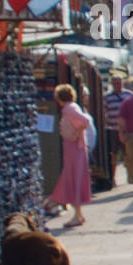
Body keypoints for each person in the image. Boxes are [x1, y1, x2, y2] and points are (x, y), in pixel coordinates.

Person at [47, 84, 92, 228]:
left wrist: (76, 134)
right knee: (74, 179)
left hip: (73, 149)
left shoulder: (69, 109)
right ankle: (78, 214)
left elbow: (85, 121)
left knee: (73, 179)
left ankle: (76, 215)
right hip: (75, 148)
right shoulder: (73, 107)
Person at [103, 74, 132, 182]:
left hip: (127, 130)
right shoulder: (107, 97)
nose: (117, 85)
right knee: (113, 154)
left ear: (122, 83)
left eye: (119, 82)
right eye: (115, 83)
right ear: (112, 84)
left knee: (128, 154)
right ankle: (113, 178)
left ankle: (130, 176)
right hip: (113, 129)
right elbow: (104, 111)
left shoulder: (128, 95)